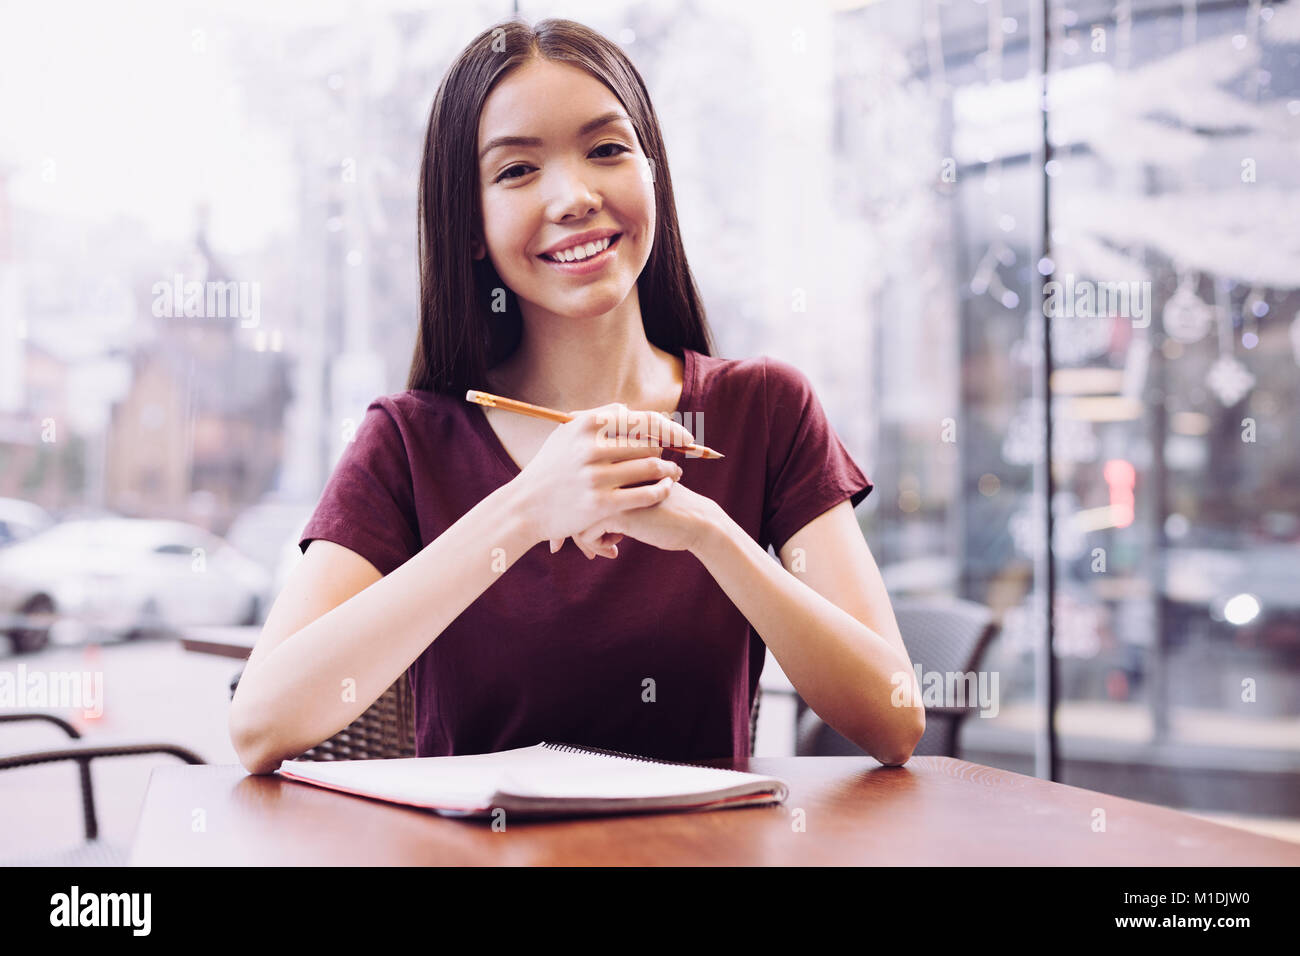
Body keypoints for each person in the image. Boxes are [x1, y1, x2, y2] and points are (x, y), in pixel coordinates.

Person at [229, 16, 924, 775]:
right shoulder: (408, 441)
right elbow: (261, 725)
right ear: (471, 225)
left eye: (606, 149)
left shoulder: (765, 408)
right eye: (518, 171)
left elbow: (894, 723)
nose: (574, 196)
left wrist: (709, 534)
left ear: (652, 172)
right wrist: (531, 506)